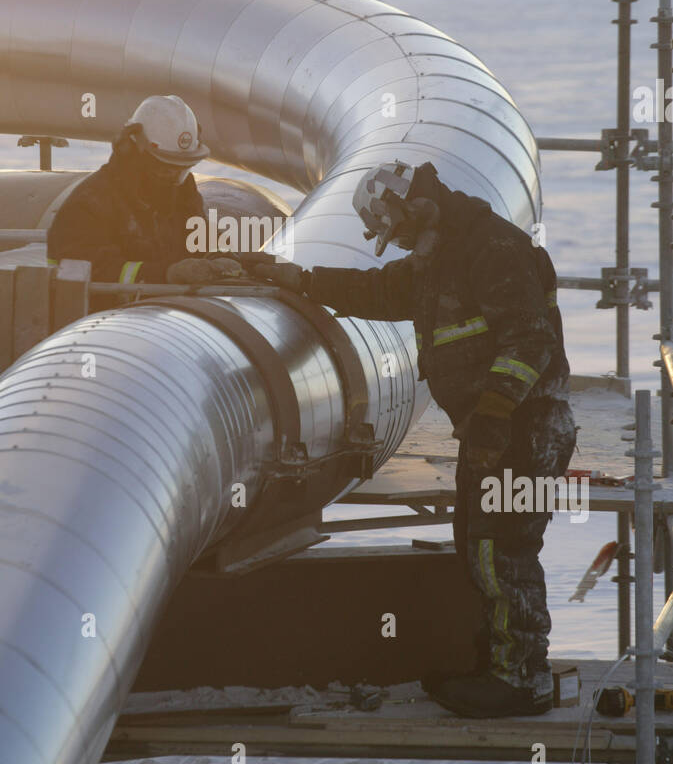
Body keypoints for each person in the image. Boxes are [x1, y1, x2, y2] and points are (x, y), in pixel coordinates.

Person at [252, 160, 576, 718]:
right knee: (478, 543)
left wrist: (494, 421)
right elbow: (377, 291)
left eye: (396, 231)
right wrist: (297, 280)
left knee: (503, 548)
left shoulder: (490, 249)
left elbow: (529, 340)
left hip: (524, 429)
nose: (397, 243)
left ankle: (522, 680)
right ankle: (496, 663)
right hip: (492, 431)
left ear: (415, 205)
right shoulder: (436, 259)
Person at [46, 95, 244, 294]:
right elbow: (93, 273)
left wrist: (224, 257)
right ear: (133, 151)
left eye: (183, 168)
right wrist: (166, 274)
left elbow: (198, 235)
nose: (174, 177)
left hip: (166, 310)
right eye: (164, 167)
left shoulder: (179, 188)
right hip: (105, 317)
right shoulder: (89, 204)